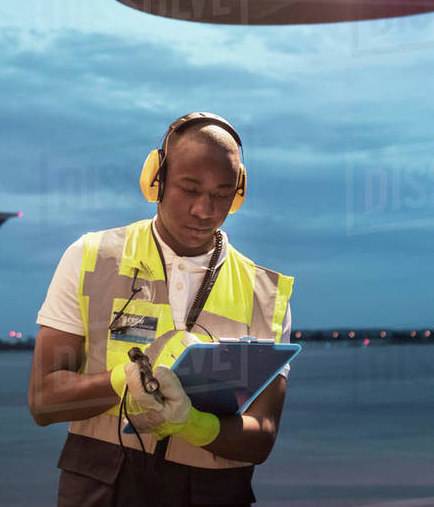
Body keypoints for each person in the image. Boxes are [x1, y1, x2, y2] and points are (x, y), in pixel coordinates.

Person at [28, 112, 295, 506]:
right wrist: (121, 382)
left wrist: (193, 423)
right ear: (156, 178)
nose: (205, 210)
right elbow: (43, 401)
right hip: (104, 489)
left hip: (211, 494)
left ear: (238, 194)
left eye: (221, 194)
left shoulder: (265, 295)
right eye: (189, 189)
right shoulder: (90, 259)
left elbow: (263, 436)